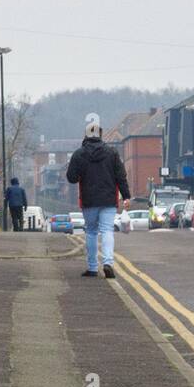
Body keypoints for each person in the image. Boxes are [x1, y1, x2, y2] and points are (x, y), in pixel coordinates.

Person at [66, 114, 131, 278]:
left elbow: (71, 178)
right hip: (109, 199)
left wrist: (81, 172)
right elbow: (121, 176)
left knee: (92, 232)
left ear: (86, 136)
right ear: (101, 135)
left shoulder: (79, 154)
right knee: (107, 230)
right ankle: (108, 262)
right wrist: (126, 196)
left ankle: (93, 267)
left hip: (89, 199)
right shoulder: (112, 153)